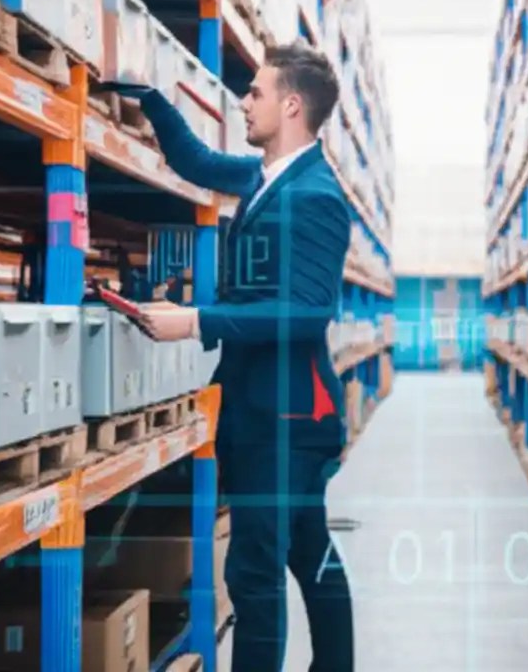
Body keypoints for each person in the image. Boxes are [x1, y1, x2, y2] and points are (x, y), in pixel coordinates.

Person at [122, 42, 355, 672]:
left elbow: (306, 313)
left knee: (252, 573)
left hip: (285, 418)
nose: (243, 101)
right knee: (310, 552)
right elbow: (196, 162)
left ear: (291, 104)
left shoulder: (317, 196)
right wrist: (147, 98)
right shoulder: (265, 177)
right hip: (271, 411)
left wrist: (195, 320)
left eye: (254, 93)